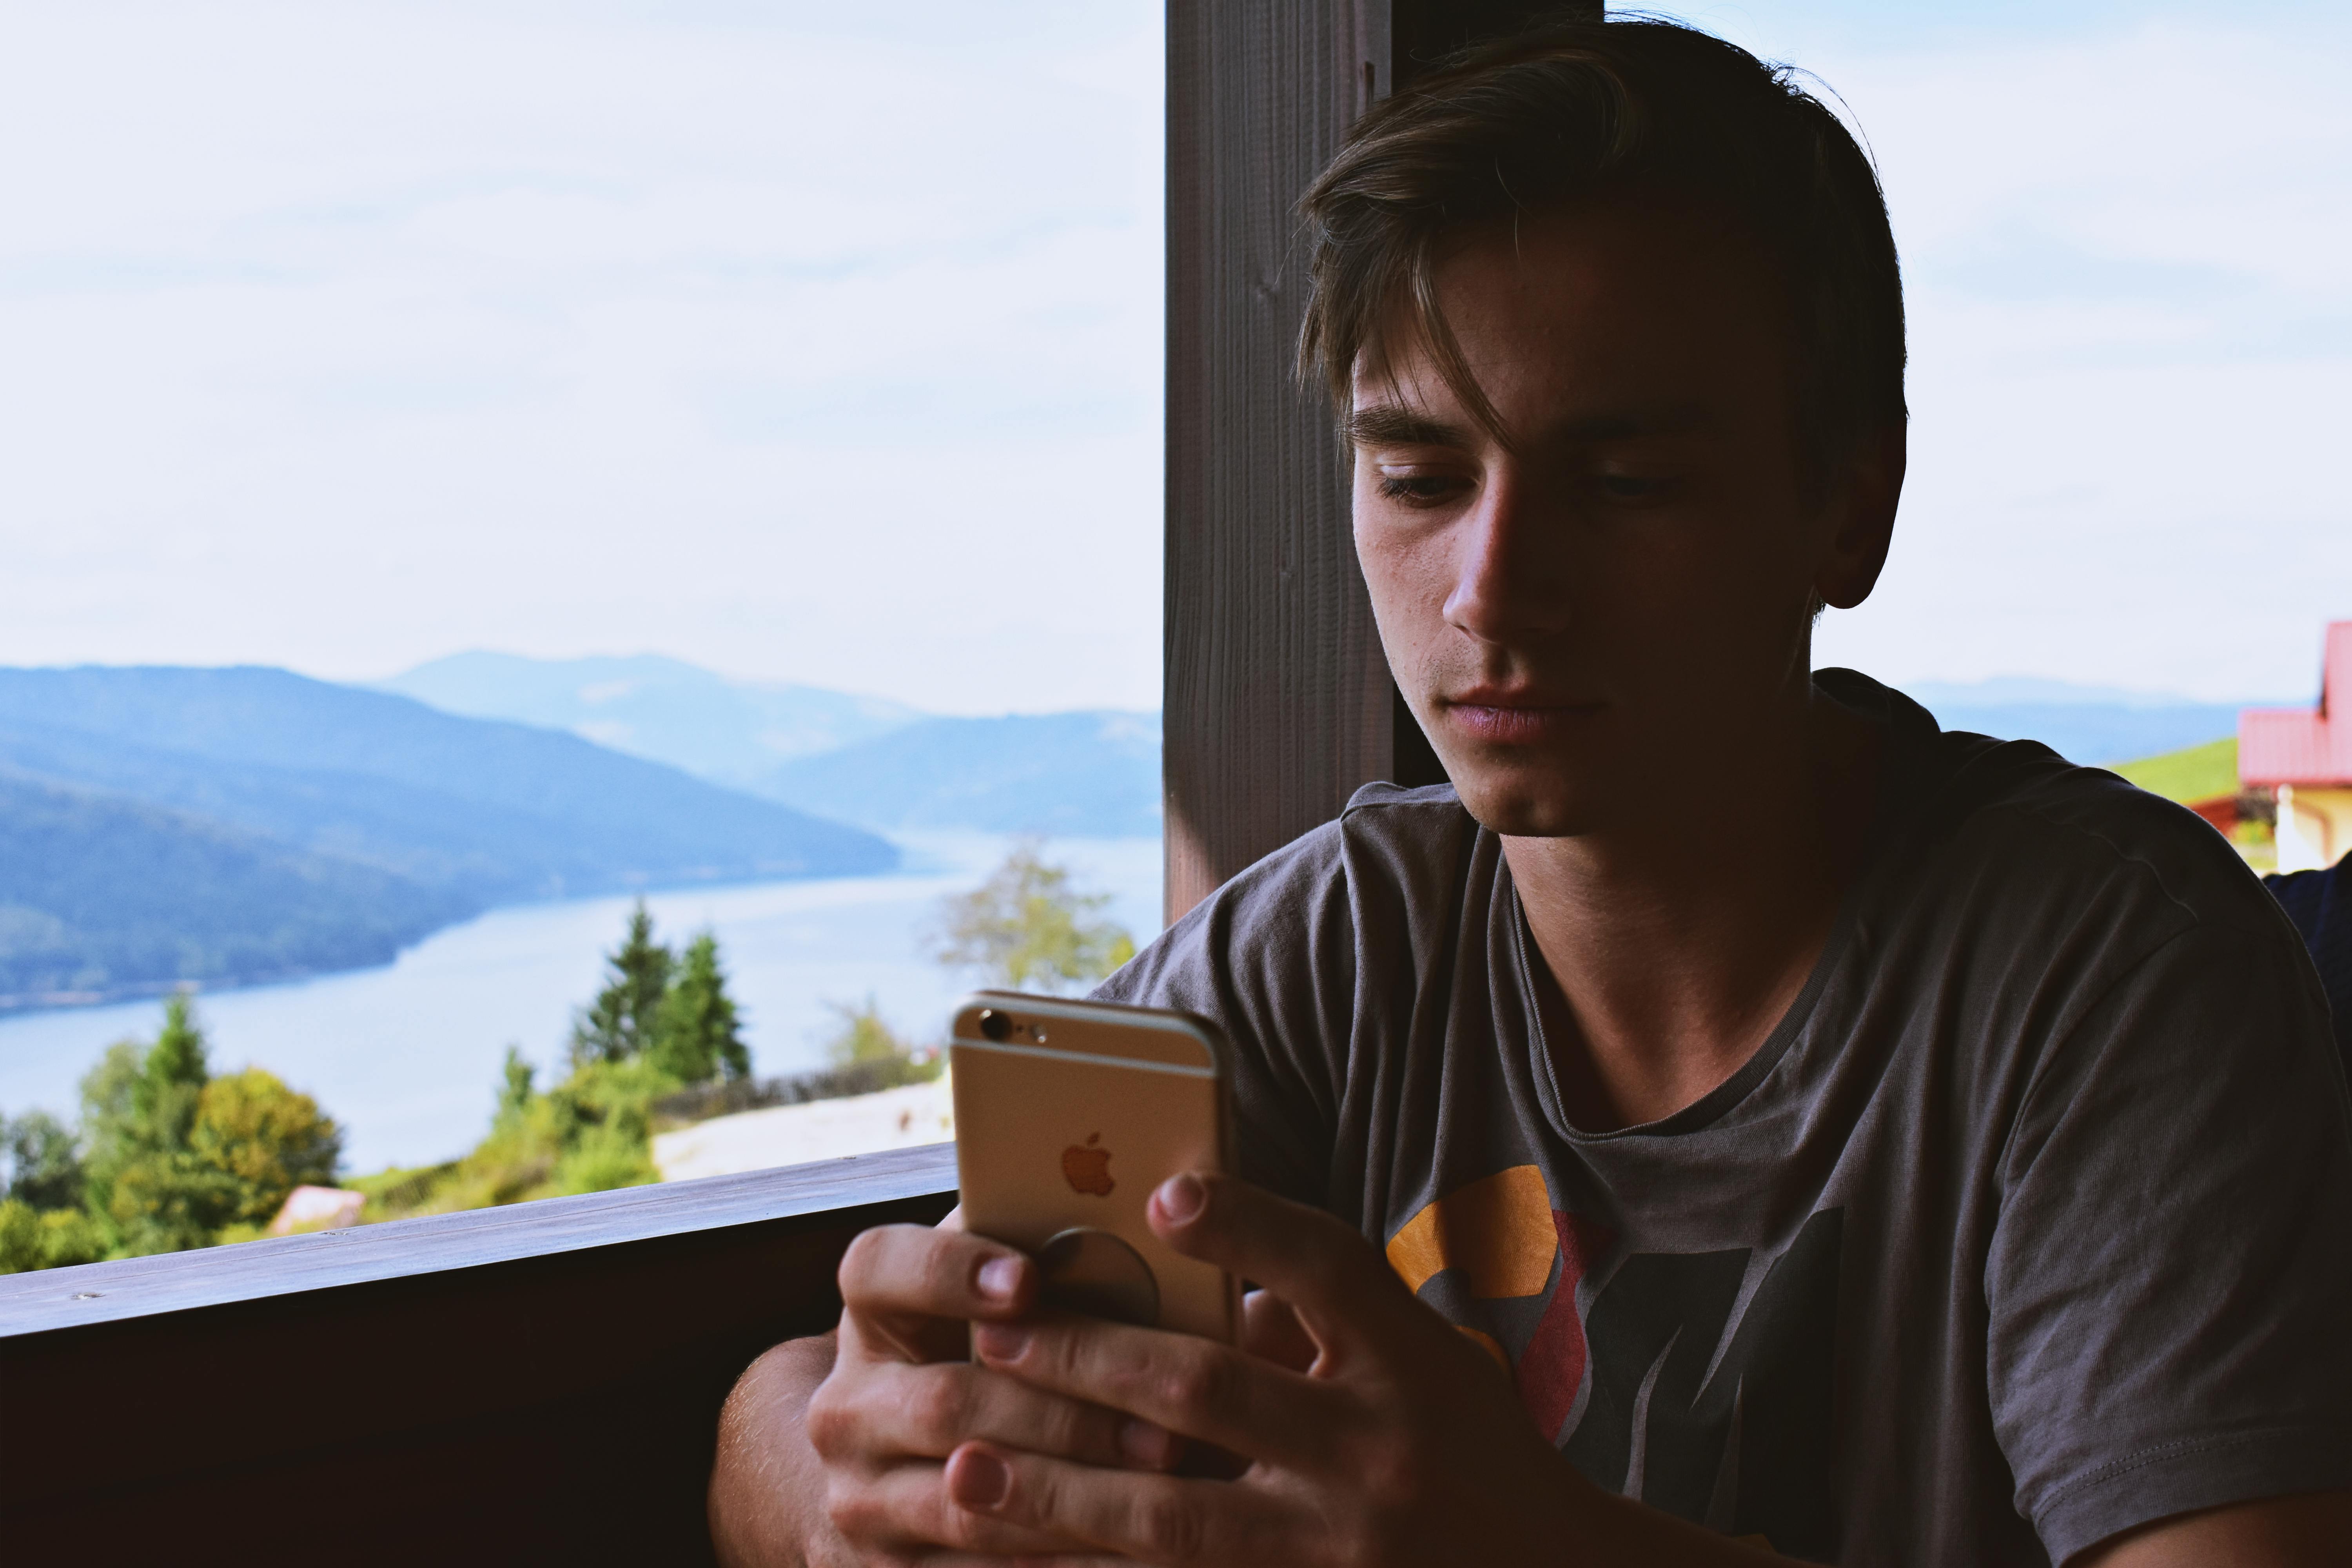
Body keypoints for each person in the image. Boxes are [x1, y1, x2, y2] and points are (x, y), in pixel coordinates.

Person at [709, 19, 2352, 1566]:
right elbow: (770, 1423)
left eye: (1625, 482)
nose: (1492, 591)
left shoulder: (2105, 970)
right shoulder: (1347, 944)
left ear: (1851, 502)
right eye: (1418, 476)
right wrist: (870, 1468)